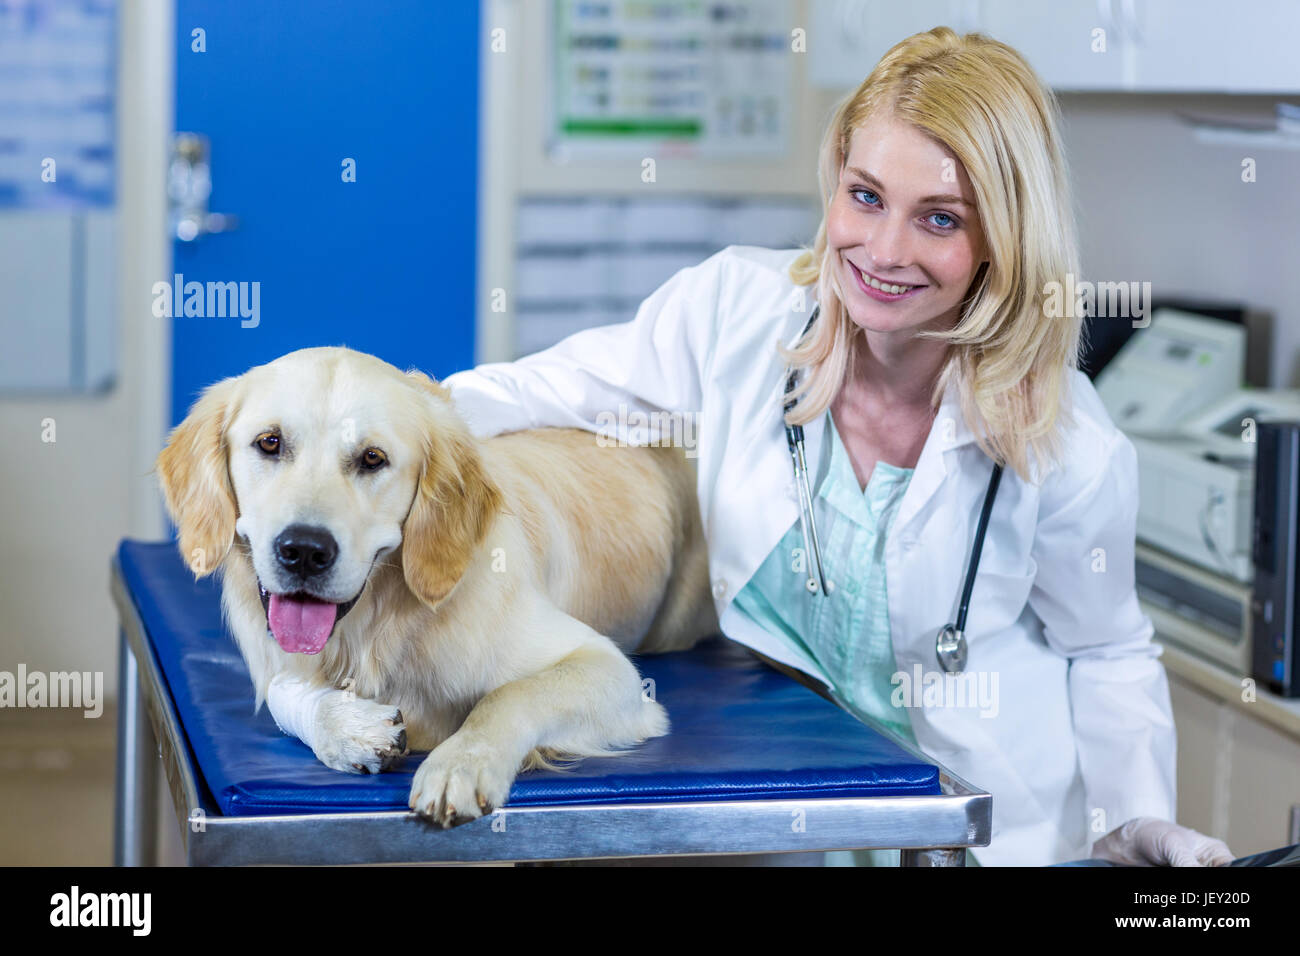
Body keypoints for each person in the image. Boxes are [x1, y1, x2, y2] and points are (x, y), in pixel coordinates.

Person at [441, 26, 1232, 867]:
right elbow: (524, 393)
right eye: (864, 196)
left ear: (1003, 237)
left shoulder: (1065, 439)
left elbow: (1107, 649)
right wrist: (364, 443)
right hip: (797, 826)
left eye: (939, 219)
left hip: (991, 835)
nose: (885, 251)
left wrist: (1132, 816)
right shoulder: (734, 314)